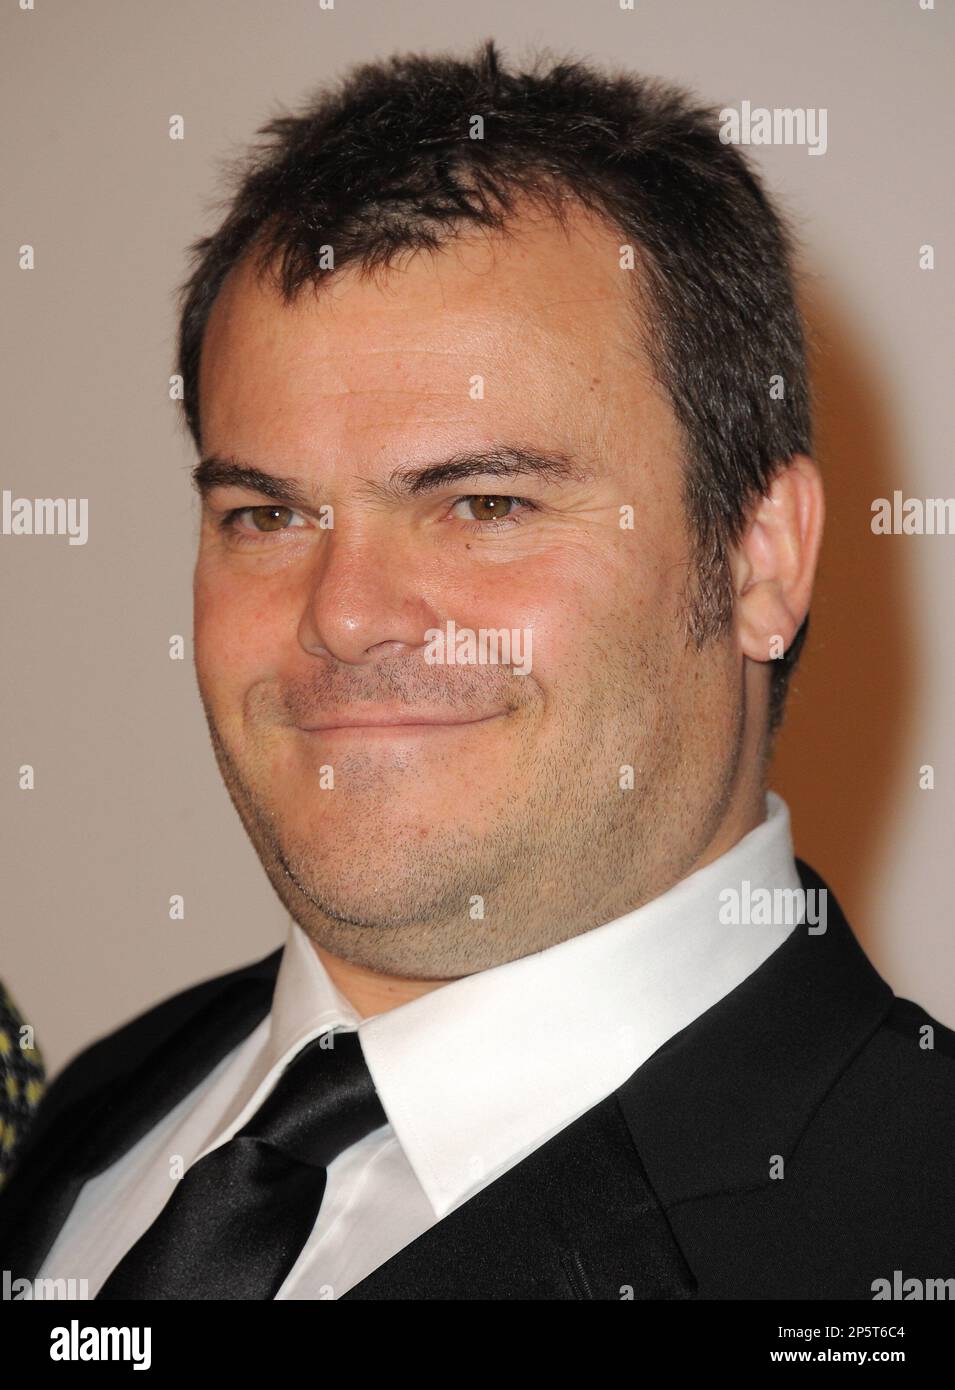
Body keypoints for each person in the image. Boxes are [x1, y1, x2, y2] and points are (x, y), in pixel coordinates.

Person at [2, 40, 952, 1302]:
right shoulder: (108, 1098)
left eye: (487, 503)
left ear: (760, 560)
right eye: (266, 515)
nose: (343, 617)